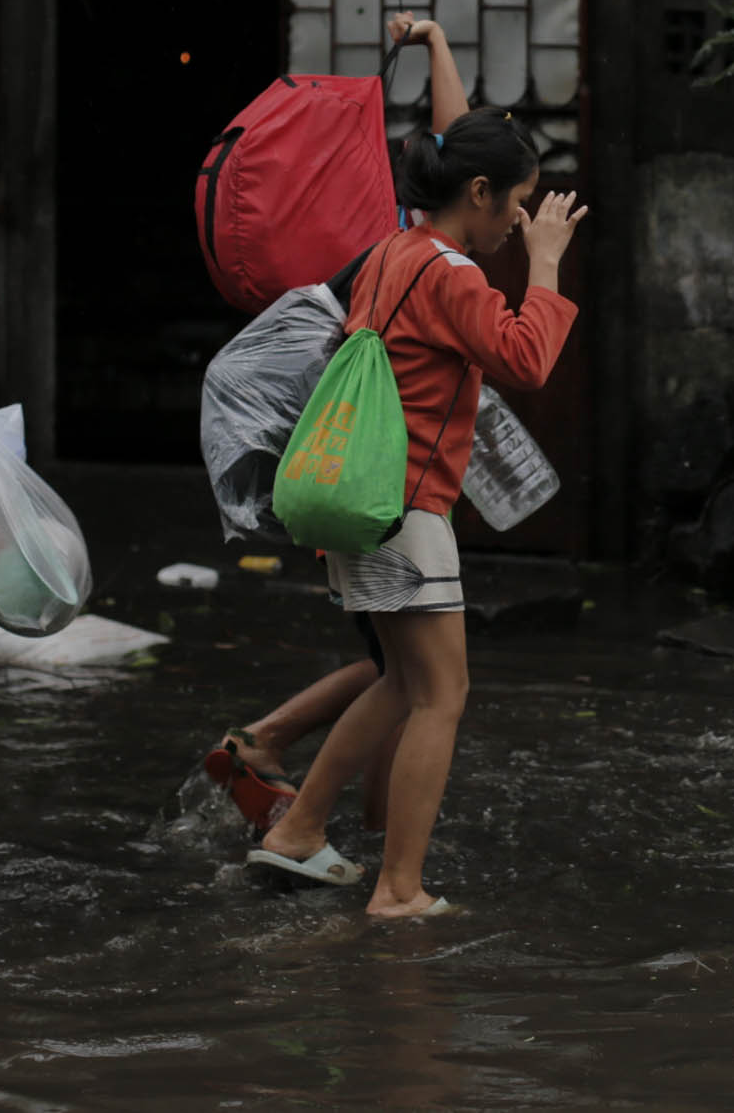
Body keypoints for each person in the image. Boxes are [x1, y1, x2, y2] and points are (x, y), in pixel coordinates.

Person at [247, 107, 585, 917]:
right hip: (406, 506)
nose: (516, 223)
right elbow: (526, 359)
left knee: (402, 683)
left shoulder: (395, 253)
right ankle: (398, 888)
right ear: (479, 192)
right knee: (443, 693)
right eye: (514, 206)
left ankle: (299, 829)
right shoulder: (451, 272)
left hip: (362, 498)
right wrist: (545, 267)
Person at [202, 11, 470, 836]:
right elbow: (467, 159)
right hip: (373, 489)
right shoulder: (405, 257)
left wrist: (433, 45)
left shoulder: (386, 246)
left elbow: (462, 151)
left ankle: (306, 781)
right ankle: (317, 796)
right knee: (413, 677)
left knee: (397, 666)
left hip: (355, 479)